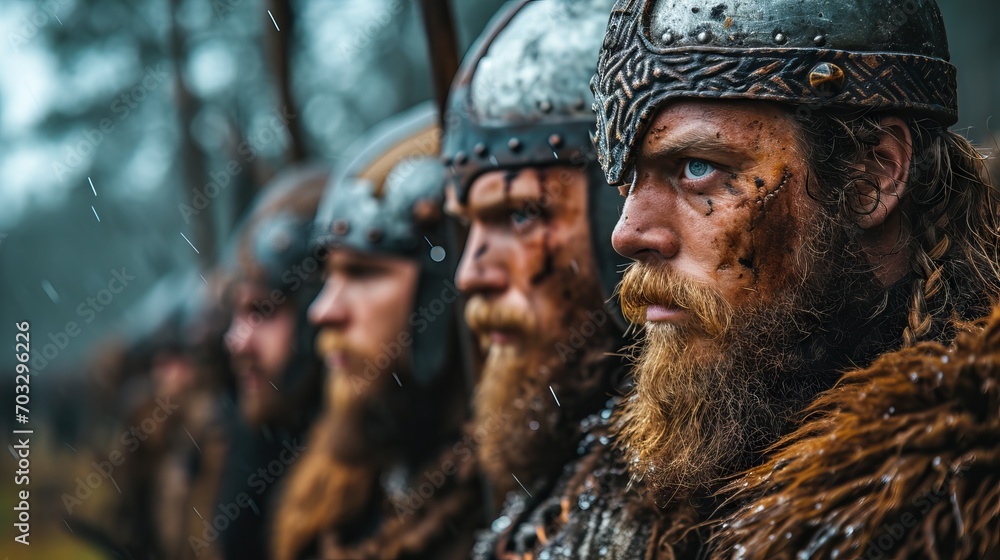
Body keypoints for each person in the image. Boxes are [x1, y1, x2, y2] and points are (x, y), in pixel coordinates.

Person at [590, 0, 1000, 556]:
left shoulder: (964, 502)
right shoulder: (643, 473)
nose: (628, 232)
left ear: (873, 174)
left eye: (697, 167)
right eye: (631, 176)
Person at [441, 1, 663, 557]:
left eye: (520, 214)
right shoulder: (552, 477)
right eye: (468, 227)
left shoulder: (695, 498)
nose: (471, 273)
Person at [272, 104, 483, 560]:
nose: (323, 311)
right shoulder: (363, 487)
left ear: (443, 293)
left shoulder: (497, 498)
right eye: (329, 278)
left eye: (364, 274)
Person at [205, 165, 329, 559]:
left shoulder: (370, 465)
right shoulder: (260, 442)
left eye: (263, 311)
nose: (235, 342)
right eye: (237, 315)